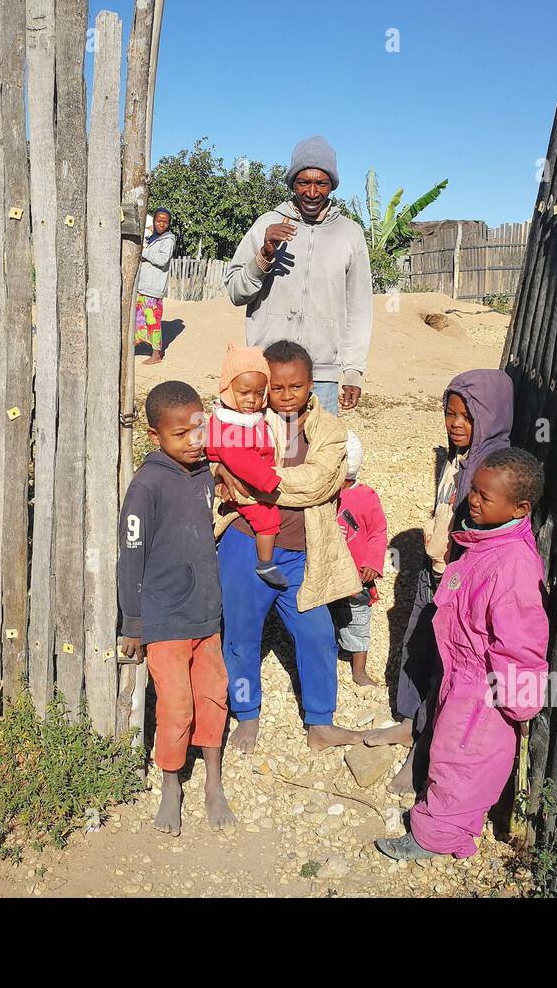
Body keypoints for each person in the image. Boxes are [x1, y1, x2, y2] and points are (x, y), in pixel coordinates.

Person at [376, 448, 548, 861]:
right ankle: (437, 816)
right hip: (463, 673)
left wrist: (519, 703)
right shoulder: (486, 542)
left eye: (485, 497)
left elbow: (522, 643)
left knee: (463, 761)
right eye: (474, 490)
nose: (473, 499)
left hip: (487, 691)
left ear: (519, 508)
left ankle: (436, 838)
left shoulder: (513, 566)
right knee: (450, 749)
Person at [364, 369, 514, 795]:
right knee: (421, 646)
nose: (455, 424)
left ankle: (424, 751)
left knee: (447, 668)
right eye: (450, 414)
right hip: (435, 575)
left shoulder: (492, 467)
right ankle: (411, 723)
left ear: (491, 417)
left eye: (467, 417)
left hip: (459, 584)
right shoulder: (459, 458)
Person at [213, 340, 363, 754]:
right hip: (245, 544)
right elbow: (211, 451)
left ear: (311, 385)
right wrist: (222, 466)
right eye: (274, 388)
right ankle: (247, 713)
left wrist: (248, 480)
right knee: (241, 637)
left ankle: (320, 720)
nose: (283, 396)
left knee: (316, 633)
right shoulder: (249, 418)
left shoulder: (330, 432)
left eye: (294, 386)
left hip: (300, 555)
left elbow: (320, 483)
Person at [118, 380, 235, 836]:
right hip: (165, 617)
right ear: (155, 437)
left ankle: (213, 783)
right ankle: (171, 785)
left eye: (199, 429)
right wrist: (133, 618)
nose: (194, 441)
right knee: (176, 706)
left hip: (206, 611)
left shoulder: (204, 473)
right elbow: (131, 553)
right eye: (181, 434)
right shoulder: (146, 486)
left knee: (213, 696)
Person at [224, 136, 372, 416]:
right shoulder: (267, 224)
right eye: (304, 182)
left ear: (332, 186)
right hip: (268, 372)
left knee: (319, 454)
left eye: (322, 183)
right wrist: (265, 255)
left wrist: (353, 371)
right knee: (266, 455)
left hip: (322, 376)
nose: (313, 192)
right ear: (292, 183)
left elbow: (359, 308)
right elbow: (234, 291)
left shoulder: (350, 234)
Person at [204, 344, 287, 589]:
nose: (251, 400)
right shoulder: (227, 425)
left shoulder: (244, 416)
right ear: (227, 389)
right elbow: (241, 460)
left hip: (253, 476)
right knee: (267, 516)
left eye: (258, 393)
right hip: (249, 481)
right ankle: (265, 562)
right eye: (244, 393)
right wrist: (268, 481)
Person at [331, 431, 387, 687]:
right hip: (326, 574)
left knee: (358, 621)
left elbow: (378, 531)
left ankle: (359, 670)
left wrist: (373, 563)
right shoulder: (320, 493)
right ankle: (320, 665)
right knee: (324, 621)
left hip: (356, 577)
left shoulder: (366, 497)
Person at [135, 207, 176, 364]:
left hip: (153, 289)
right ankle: (139, 346)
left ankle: (156, 355)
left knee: (153, 322)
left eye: (165, 222)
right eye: (159, 220)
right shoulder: (153, 238)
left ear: (169, 224)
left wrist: (143, 253)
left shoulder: (168, 240)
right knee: (139, 319)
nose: (162, 224)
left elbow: (162, 259)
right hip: (143, 286)